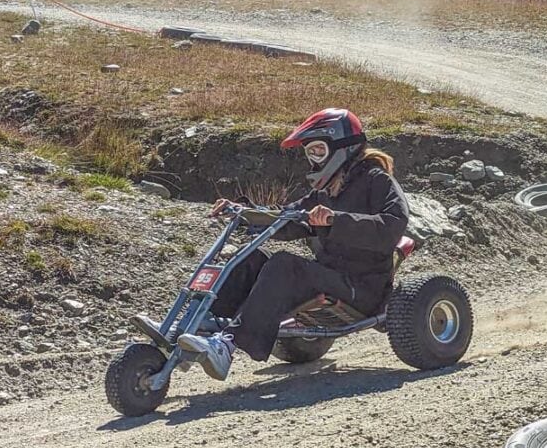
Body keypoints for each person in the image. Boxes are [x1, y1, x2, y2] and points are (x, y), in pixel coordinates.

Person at [142, 108, 410, 381]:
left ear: (343, 147)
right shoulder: (323, 192)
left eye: (319, 151)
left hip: (362, 288)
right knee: (250, 258)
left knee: (285, 265)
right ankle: (197, 326)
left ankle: (227, 345)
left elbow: (394, 225)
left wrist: (336, 219)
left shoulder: (377, 180)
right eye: (310, 153)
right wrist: (244, 212)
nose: (314, 160)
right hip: (331, 277)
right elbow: (286, 218)